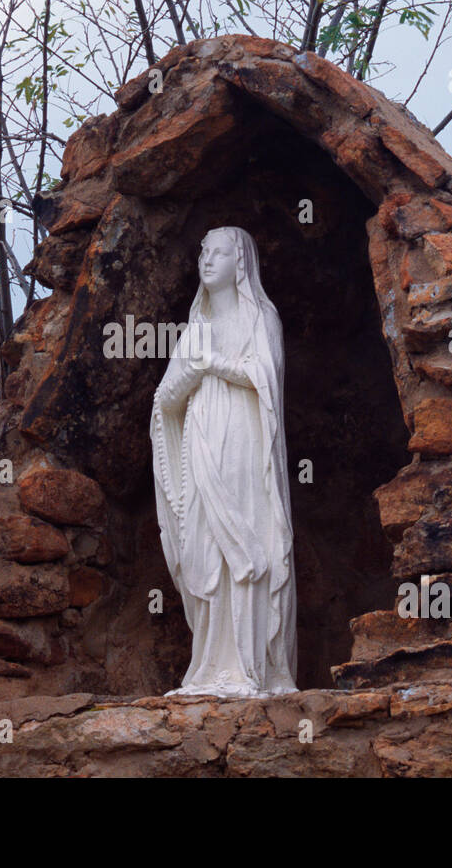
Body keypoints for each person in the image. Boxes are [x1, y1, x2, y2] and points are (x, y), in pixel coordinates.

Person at [150, 225, 298, 697]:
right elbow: (165, 401)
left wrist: (212, 365)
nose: (206, 261)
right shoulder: (195, 330)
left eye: (218, 253)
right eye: (203, 252)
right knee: (204, 548)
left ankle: (250, 667)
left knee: (248, 545)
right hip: (201, 446)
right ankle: (211, 667)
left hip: (247, 448)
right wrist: (188, 377)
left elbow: (266, 380)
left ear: (241, 263)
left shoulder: (261, 319)